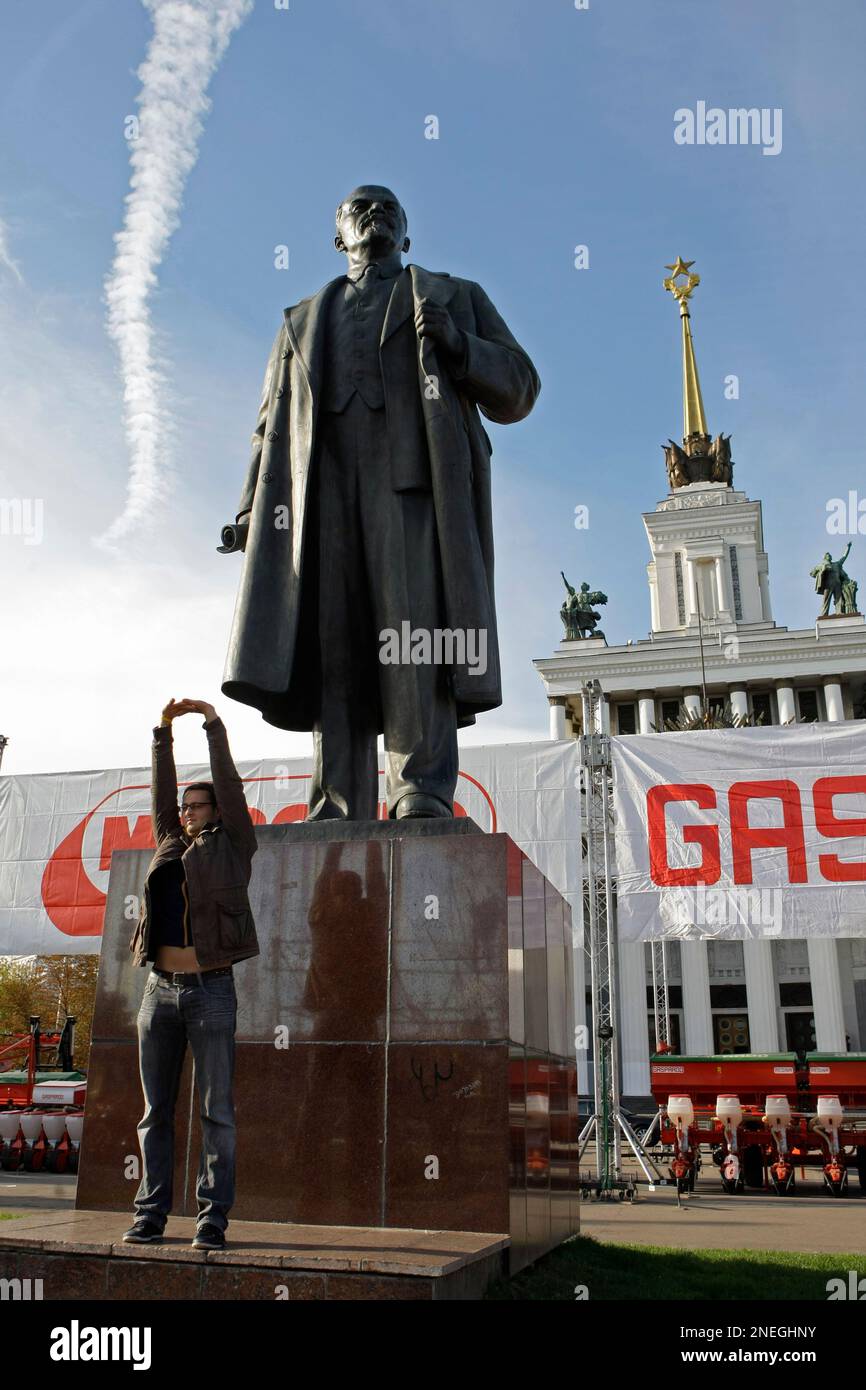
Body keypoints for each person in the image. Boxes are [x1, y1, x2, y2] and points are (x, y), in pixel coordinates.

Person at [219, 184, 540, 821]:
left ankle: (419, 786)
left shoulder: (452, 296)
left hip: (416, 491)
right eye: (359, 207)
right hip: (323, 495)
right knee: (333, 639)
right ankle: (338, 797)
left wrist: (461, 347)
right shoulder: (300, 319)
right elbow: (270, 425)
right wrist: (252, 507)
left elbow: (520, 388)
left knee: (413, 632)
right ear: (338, 236)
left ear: (407, 234)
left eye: (389, 206)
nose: (376, 212)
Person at [124, 697, 259, 1250]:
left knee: (216, 1112)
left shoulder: (235, 846)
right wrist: (161, 734)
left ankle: (211, 1219)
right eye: (185, 806)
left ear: (218, 811)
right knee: (155, 1112)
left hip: (211, 992)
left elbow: (228, 785)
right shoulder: (169, 842)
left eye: (198, 806)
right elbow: (162, 797)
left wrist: (210, 721)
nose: (188, 812)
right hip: (158, 993)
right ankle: (150, 1214)